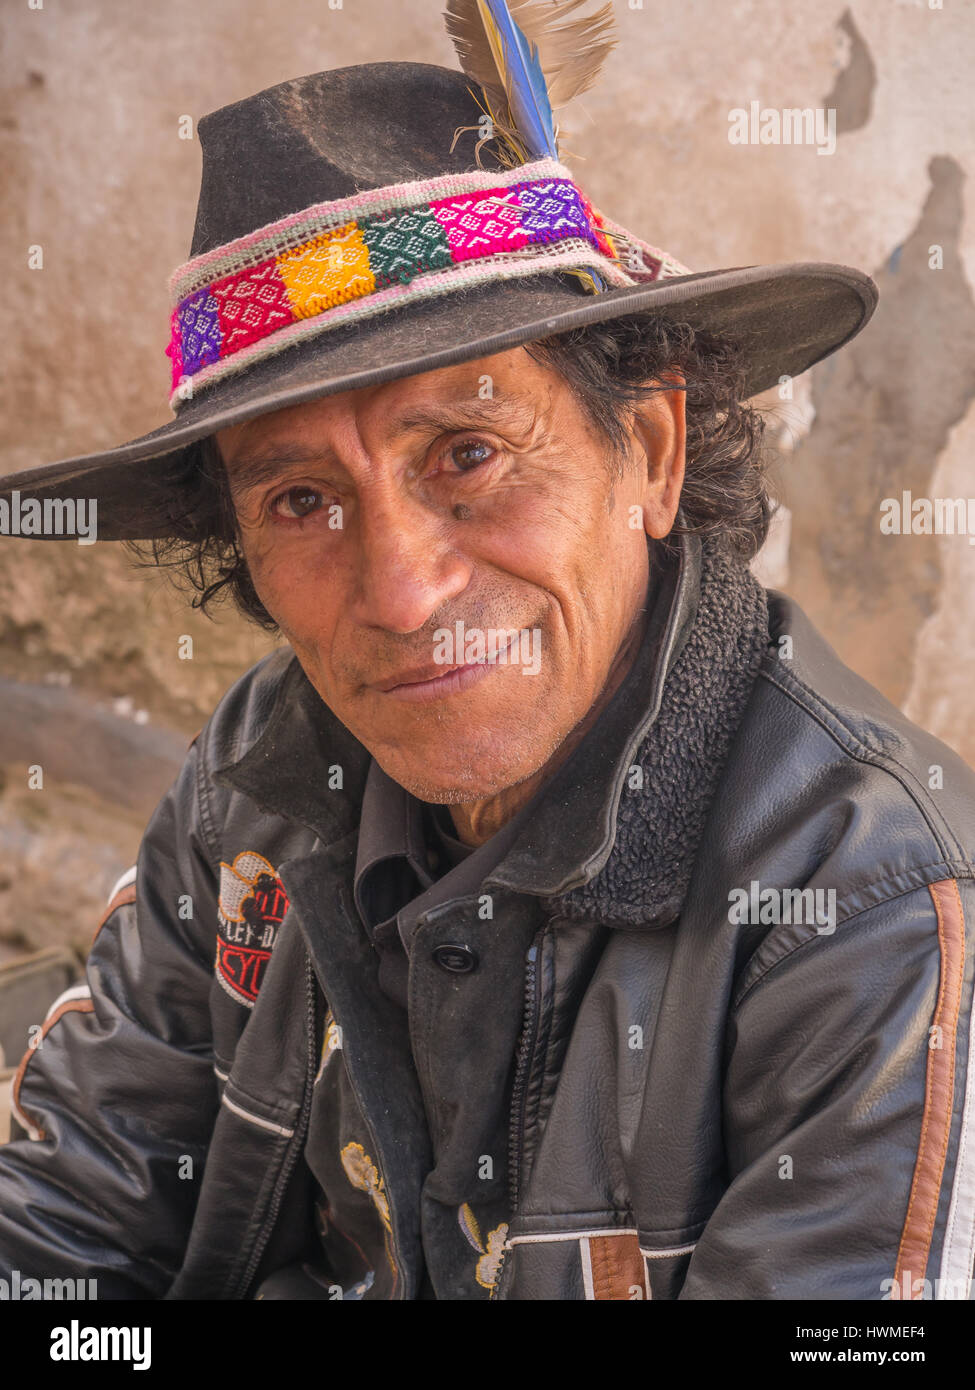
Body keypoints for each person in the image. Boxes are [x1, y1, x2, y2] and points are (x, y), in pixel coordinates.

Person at [0, 14, 972, 1301]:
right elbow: (65, 1240)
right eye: (301, 501)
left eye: (468, 452)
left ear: (654, 454)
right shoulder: (261, 779)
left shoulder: (865, 914)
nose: (401, 593)